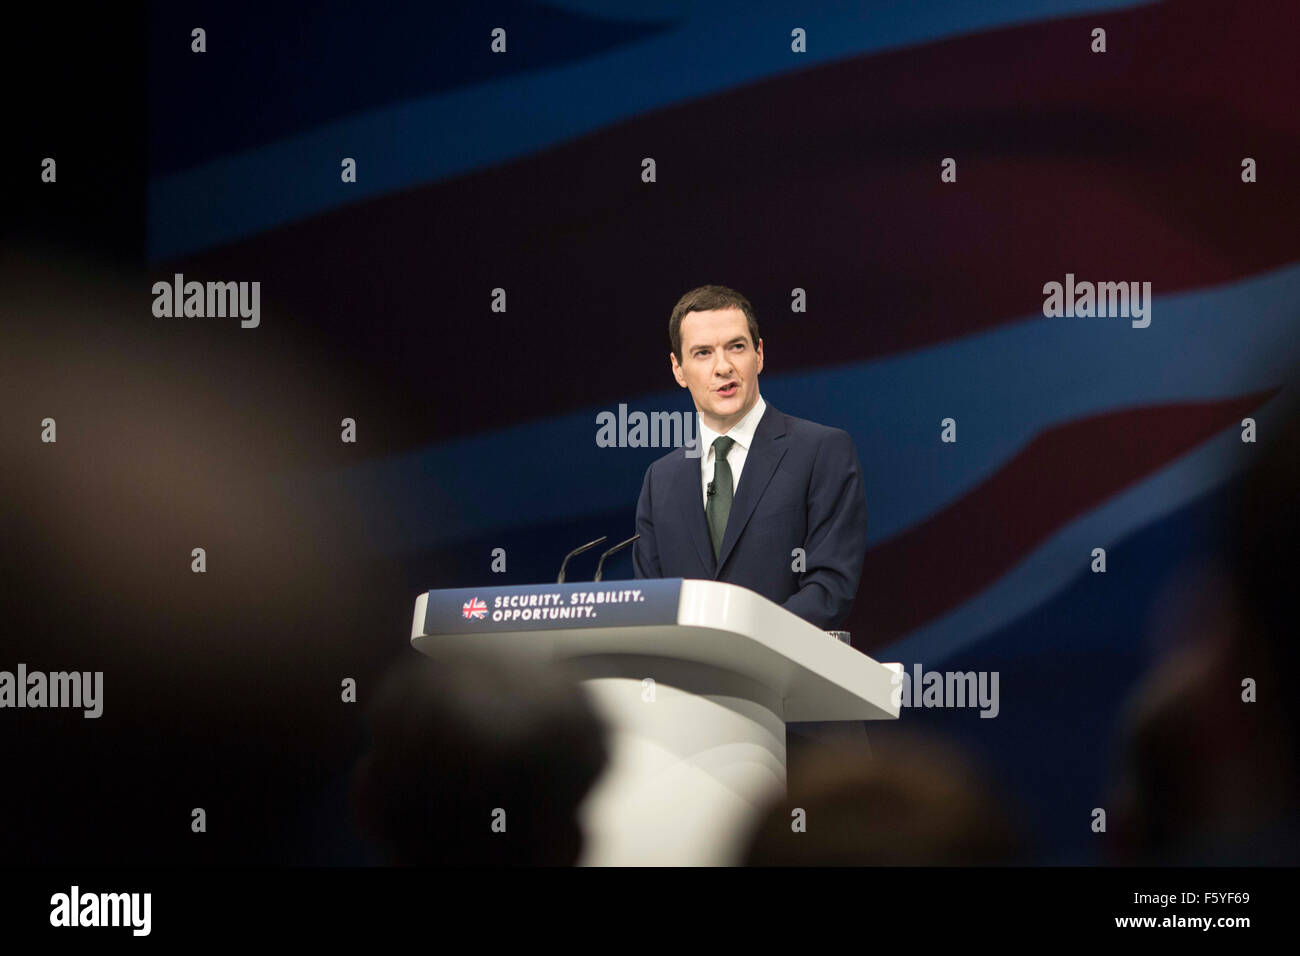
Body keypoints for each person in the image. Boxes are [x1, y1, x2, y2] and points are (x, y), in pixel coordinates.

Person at [632, 285, 868, 631]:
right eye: (702, 353)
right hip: (685, 681)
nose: (723, 366)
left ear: (759, 354)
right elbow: (650, 604)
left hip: (783, 678)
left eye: (736, 347)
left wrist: (743, 640)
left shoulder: (822, 451)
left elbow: (829, 590)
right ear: (678, 369)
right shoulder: (660, 479)